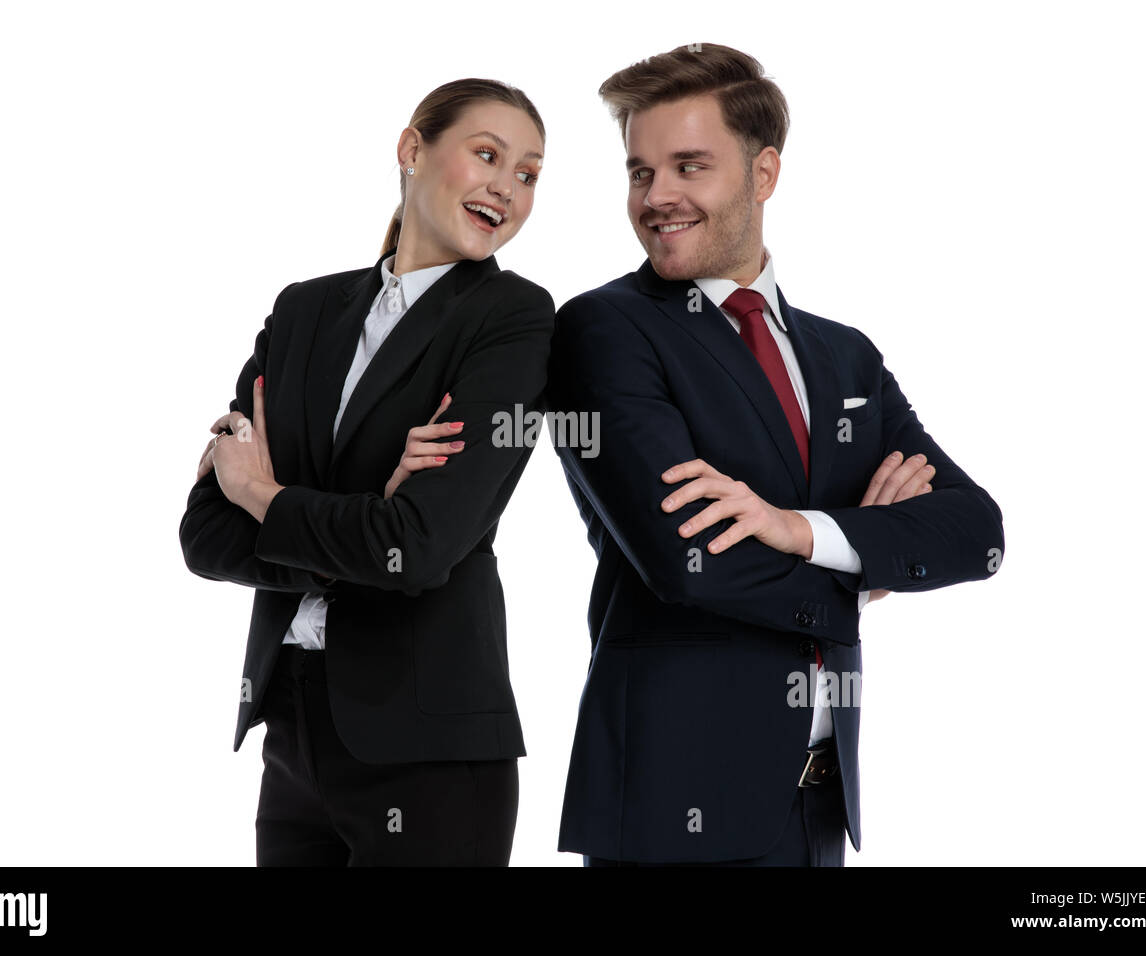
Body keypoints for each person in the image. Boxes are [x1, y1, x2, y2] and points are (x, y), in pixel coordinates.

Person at [545, 43, 1005, 865]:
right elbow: (685, 558)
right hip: (670, 806)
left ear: (764, 174)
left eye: (690, 166)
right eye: (640, 172)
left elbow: (977, 531)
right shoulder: (604, 330)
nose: (658, 198)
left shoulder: (845, 356)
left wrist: (801, 532)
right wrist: (867, 557)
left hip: (818, 806)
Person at [178, 78, 553, 866]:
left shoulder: (512, 319)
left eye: (527, 174)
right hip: (291, 727)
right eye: (487, 155)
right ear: (412, 149)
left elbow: (418, 547)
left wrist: (262, 493)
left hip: (433, 750)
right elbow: (206, 536)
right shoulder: (303, 311)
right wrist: (363, 515)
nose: (506, 188)